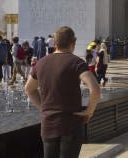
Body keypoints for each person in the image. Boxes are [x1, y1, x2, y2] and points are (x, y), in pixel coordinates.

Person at [25, 26, 101, 158]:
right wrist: (89, 111)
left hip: (49, 124)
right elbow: (95, 89)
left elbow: (29, 89)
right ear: (74, 43)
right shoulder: (76, 62)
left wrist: (43, 108)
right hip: (71, 124)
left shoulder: (41, 63)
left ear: (55, 43)